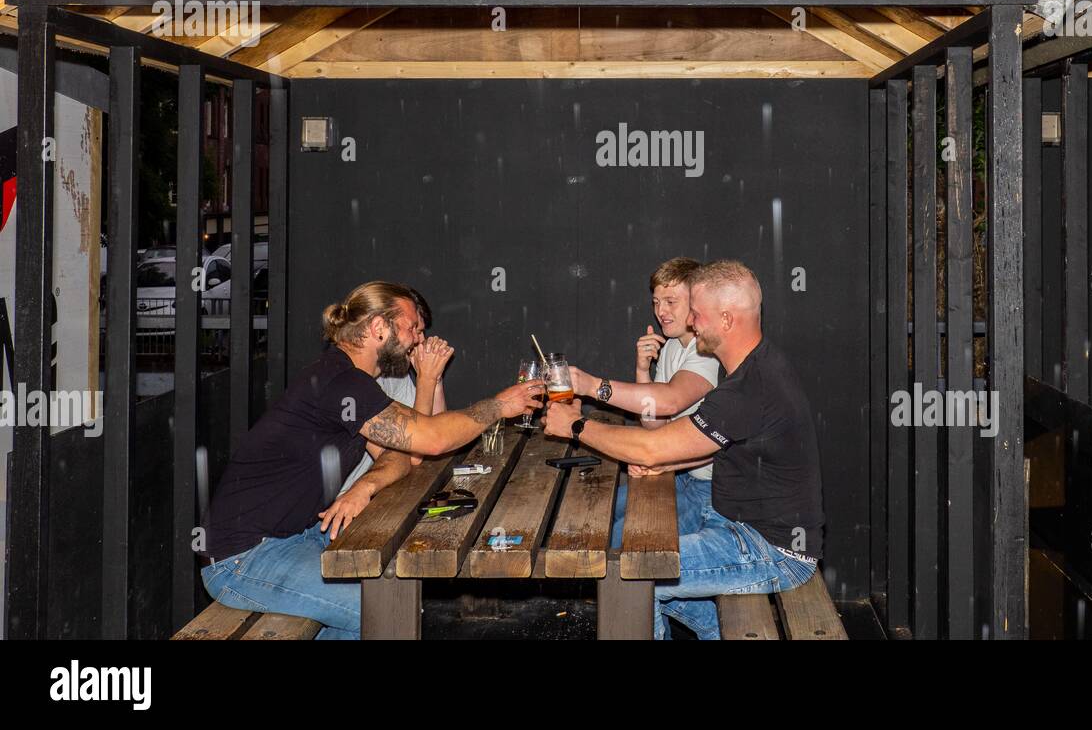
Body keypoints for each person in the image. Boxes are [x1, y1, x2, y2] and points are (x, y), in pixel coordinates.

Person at [201, 281, 542, 639]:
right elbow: (434, 438)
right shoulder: (340, 382)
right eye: (412, 327)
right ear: (379, 328)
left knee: (390, 598)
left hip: (295, 539)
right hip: (241, 558)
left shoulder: (352, 381)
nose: (416, 339)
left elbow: (397, 457)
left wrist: (366, 485)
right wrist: (501, 406)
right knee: (385, 614)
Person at [545, 260, 824, 640]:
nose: (691, 322)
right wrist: (667, 458)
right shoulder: (756, 366)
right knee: (633, 560)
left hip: (776, 551)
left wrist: (577, 426)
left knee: (629, 573)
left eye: (697, 312)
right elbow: (714, 447)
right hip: (736, 524)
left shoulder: (748, 388)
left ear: (726, 319)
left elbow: (650, 446)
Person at [566, 257, 720, 546]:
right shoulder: (673, 344)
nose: (661, 311)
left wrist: (591, 387)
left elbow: (670, 402)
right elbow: (654, 424)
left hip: (711, 491)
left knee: (625, 546)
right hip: (680, 475)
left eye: (671, 301)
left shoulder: (708, 353)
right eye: (656, 302)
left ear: (696, 301)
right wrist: (642, 370)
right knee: (594, 514)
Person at [338, 288, 450, 495]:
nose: (420, 340)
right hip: (337, 505)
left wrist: (436, 379)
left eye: (421, 330)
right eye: (414, 330)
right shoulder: (359, 381)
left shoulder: (393, 374)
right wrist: (426, 379)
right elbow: (415, 454)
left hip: (373, 494)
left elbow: (437, 432)